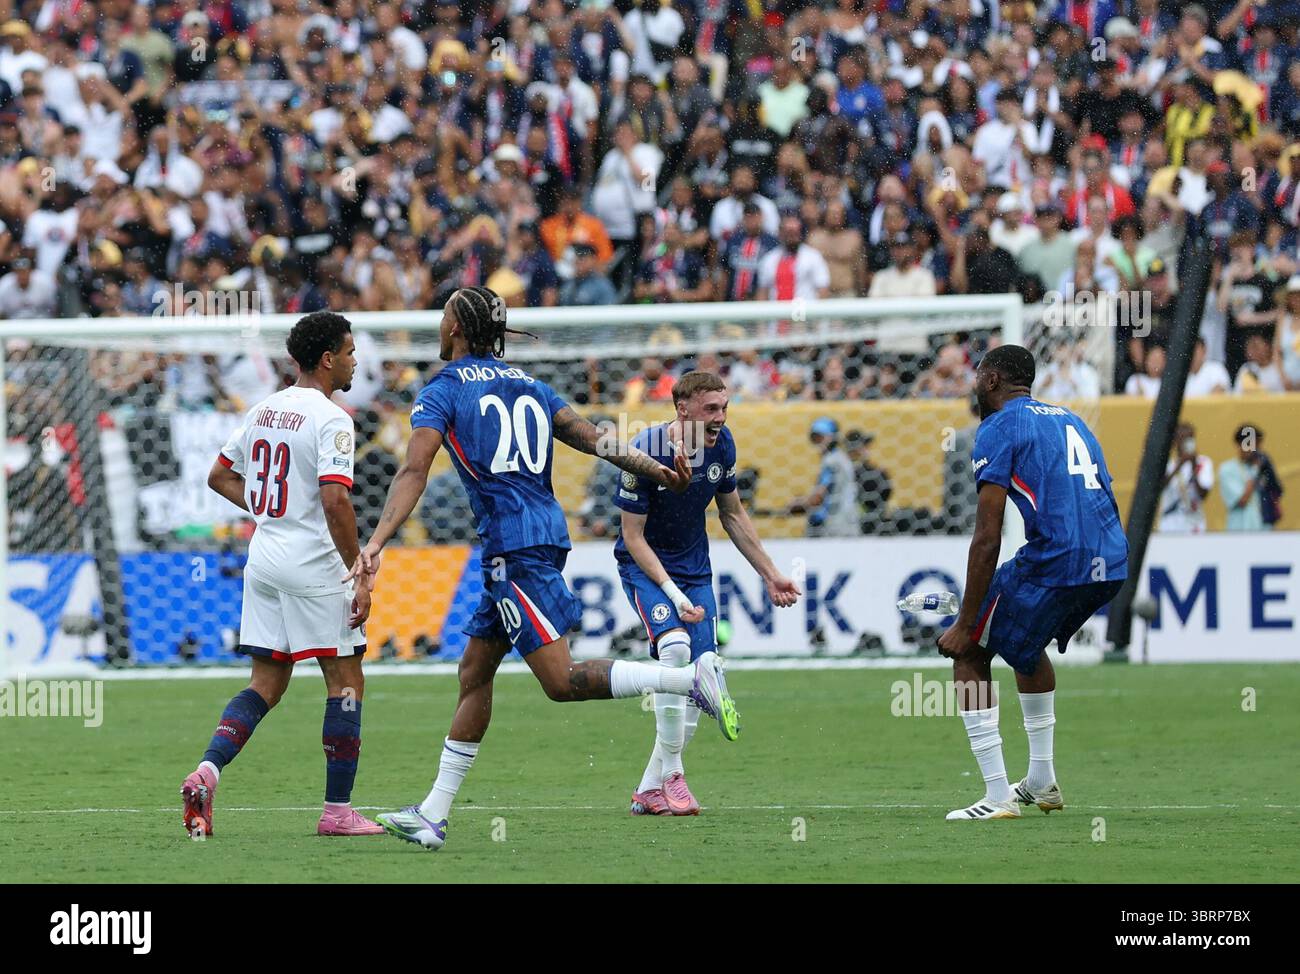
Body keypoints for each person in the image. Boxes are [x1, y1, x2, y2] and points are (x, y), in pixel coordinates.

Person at [347, 287, 737, 851]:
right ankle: (432, 814)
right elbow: (598, 441)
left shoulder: (443, 390)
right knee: (474, 674)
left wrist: (377, 541)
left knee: (561, 682)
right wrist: (658, 468)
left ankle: (686, 678)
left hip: (514, 547)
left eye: (443, 317)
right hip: (540, 537)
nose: (438, 324)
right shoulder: (531, 385)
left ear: (456, 329)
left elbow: (413, 469)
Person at [181, 311, 382, 839]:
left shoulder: (265, 409)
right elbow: (337, 501)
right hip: (314, 564)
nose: (355, 360)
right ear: (327, 358)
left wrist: (274, 510)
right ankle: (338, 812)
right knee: (346, 682)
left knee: (266, 682)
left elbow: (219, 475)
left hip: (265, 558)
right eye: (350, 350)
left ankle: (208, 770)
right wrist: (358, 569)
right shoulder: (333, 418)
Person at [937, 345, 1128, 820]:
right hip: (1111, 558)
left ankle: (998, 795)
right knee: (1024, 646)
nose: (974, 384)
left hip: (1058, 556)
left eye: (978, 375)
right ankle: (1041, 779)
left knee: (971, 650)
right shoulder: (1070, 419)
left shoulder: (998, 427)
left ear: (992, 381)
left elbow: (987, 536)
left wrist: (965, 622)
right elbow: (1103, 489)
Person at [615, 371, 800, 815]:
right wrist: (672, 593)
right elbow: (633, 536)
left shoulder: (723, 445)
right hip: (646, 568)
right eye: (711, 409)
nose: (720, 417)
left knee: (706, 672)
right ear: (683, 408)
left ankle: (649, 788)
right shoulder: (646, 449)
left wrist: (770, 573)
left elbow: (732, 514)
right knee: (676, 651)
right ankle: (675, 774)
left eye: (724, 408)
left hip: (695, 570)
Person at [784, 416, 862, 537]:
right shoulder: (841, 458)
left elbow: (818, 498)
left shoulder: (831, 461)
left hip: (835, 527)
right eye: (815, 438)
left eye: (821, 437)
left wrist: (798, 504)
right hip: (847, 522)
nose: (818, 442)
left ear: (832, 437)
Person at [1158, 421, 1214, 533]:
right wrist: (1179, 466)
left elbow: (1203, 495)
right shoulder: (1167, 464)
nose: (1185, 442)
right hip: (1170, 523)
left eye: (1190, 438)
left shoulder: (1203, 463)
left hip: (1195, 523)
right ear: (1174, 441)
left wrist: (1194, 466)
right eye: (1182, 438)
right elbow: (1158, 488)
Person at [1219, 424, 1266, 532]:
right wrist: (1255, 471)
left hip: (1261, 530)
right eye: (1251, 444)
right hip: (1238, 530)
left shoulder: (1261, 468)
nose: (1255, 449)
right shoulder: (1227, 469)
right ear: (1240, 444)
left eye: (1257, 445)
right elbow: (1242, 500)